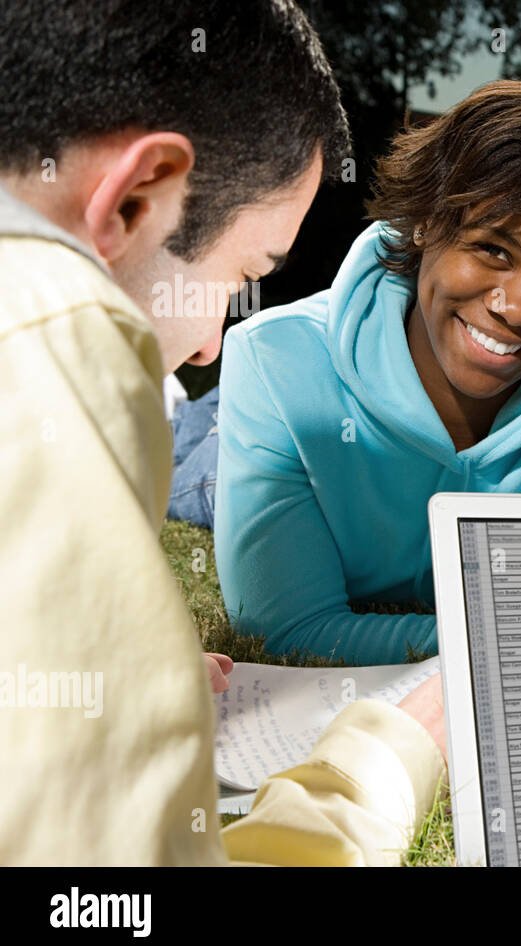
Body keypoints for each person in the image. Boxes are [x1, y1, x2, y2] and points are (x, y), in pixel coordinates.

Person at [0, 0, 446, 865]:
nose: (210, 343)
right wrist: (388, 758)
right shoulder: (53, 336)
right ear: (134, 196)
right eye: (243, 273)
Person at [214, 81, 521, 665]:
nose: (516, 308)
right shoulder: (273, 364)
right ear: (424, 222)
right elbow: (290, 629)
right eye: (493, 249)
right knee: (198, 474)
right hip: (221, 443)